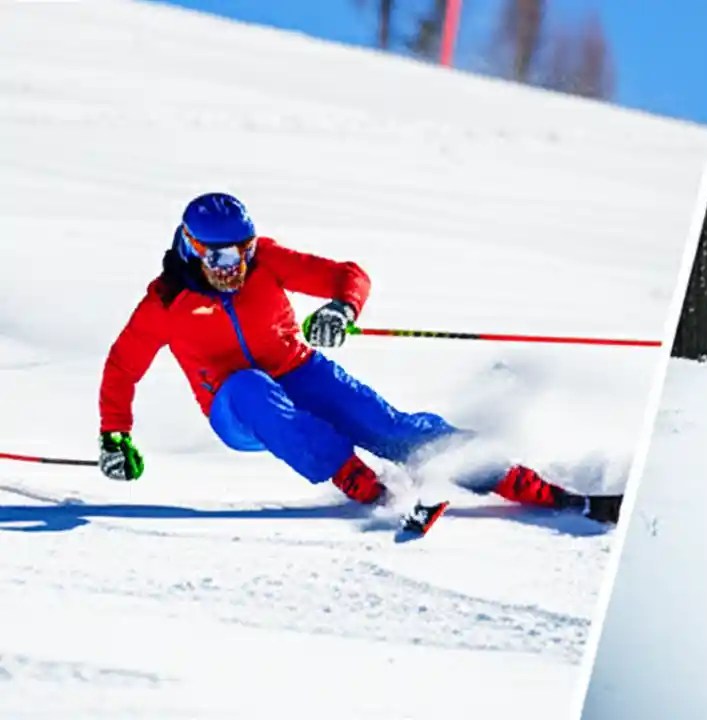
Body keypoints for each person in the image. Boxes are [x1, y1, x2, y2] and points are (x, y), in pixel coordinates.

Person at [96, 192, 622, 525]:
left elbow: (349, 274)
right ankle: (363, 481)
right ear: (192, 248)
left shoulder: (267, 262)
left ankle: (531, 485)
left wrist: (341, 308)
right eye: (222, 255)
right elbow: (122, 367)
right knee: (250, 389)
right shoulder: (166, 303)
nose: (236, 265)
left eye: (244, 250)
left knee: (394, 428)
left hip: (301, 370)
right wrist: (114, 435)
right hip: (235, 408)